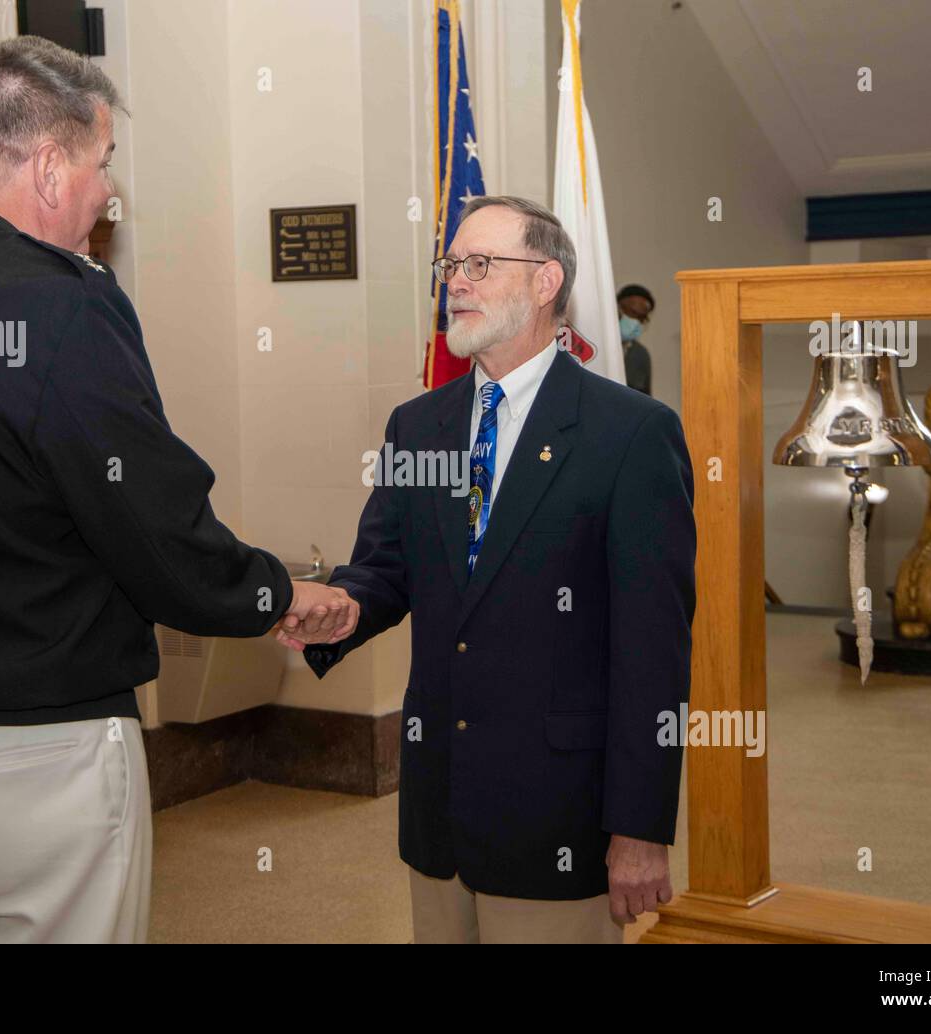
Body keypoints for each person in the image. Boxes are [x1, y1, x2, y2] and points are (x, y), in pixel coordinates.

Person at [0, 36, 355, 944]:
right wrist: (270, 592)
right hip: (35, 753)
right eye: (102, 163)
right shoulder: (63, 304)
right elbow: (150, 521)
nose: (107, 193)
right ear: (48, 166)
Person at [277, 196, 695, 943]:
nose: (455, 284)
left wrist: (639, 828)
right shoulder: (419, 424)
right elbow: (386, 567)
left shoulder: (631, 432)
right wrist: (338, 607)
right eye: (450, 267)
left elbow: (652, 651)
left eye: (478, 265)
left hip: (557, 818)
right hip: (438, 810)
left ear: (545, 282)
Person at [617, 283, 654, 395]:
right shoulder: (592, 345)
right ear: (617, 309)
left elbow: (646, 400)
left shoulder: (641, 354)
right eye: (633, 313)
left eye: (642, 318)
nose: (636, 322)